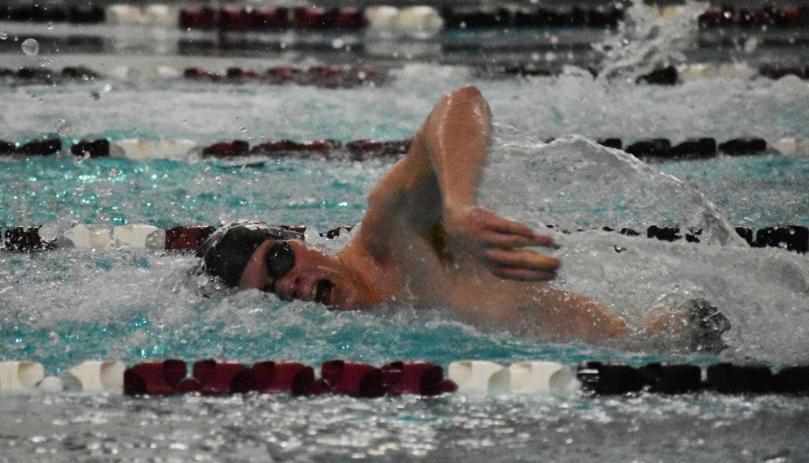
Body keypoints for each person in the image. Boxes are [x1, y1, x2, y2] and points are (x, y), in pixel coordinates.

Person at [197, 86, 728, 351]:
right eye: (275, 292)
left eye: (280, 259)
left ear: (297, 239)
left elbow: (458, 103)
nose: (293, 283)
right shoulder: (358, 339)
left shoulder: (392, 232)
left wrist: (456, 204)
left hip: (664, 338)